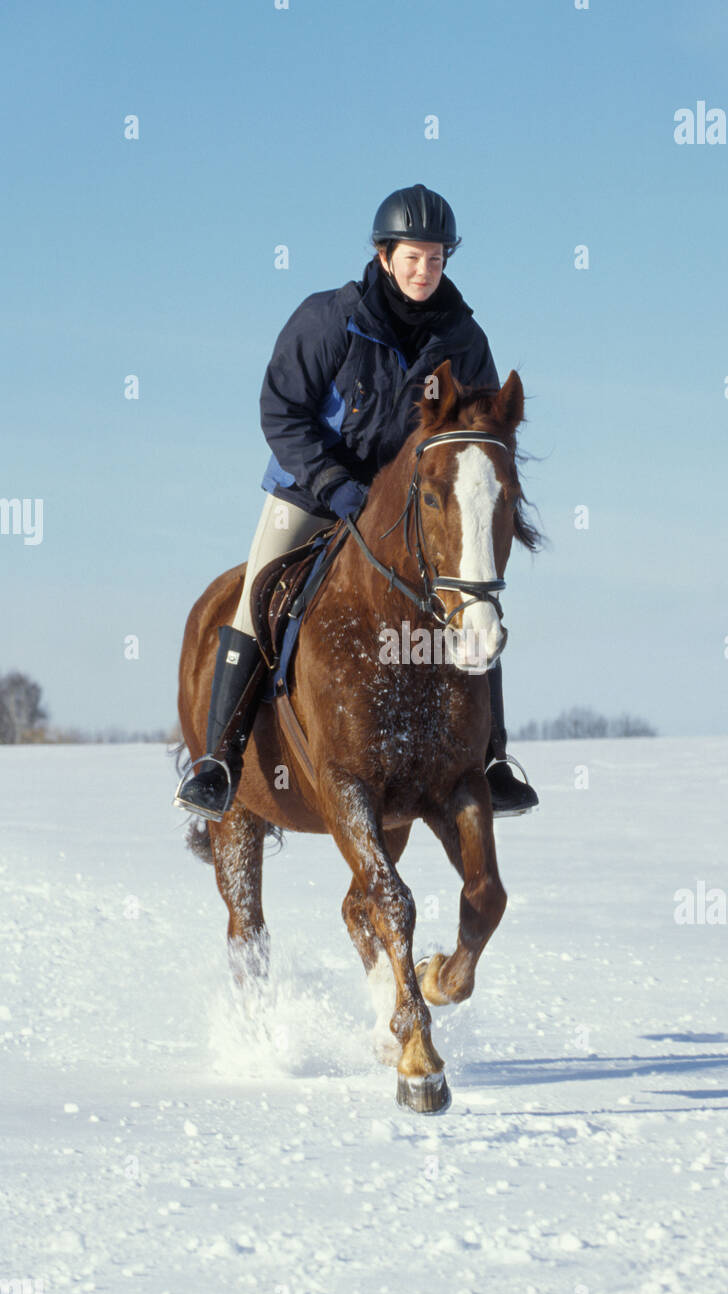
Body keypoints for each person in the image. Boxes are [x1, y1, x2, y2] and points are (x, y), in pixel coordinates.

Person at [174, 184, 538, 822]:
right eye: (413, 257)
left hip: (410, 507)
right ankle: (219, 763)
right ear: (383, 254)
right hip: (311, 490)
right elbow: (281, 411)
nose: (425, 271)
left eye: (437, 258)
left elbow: (477, 431)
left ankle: (492, 762)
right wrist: (333, 483)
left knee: (472, 600)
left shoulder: (464, 337)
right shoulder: (326, 318)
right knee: (258, 593)